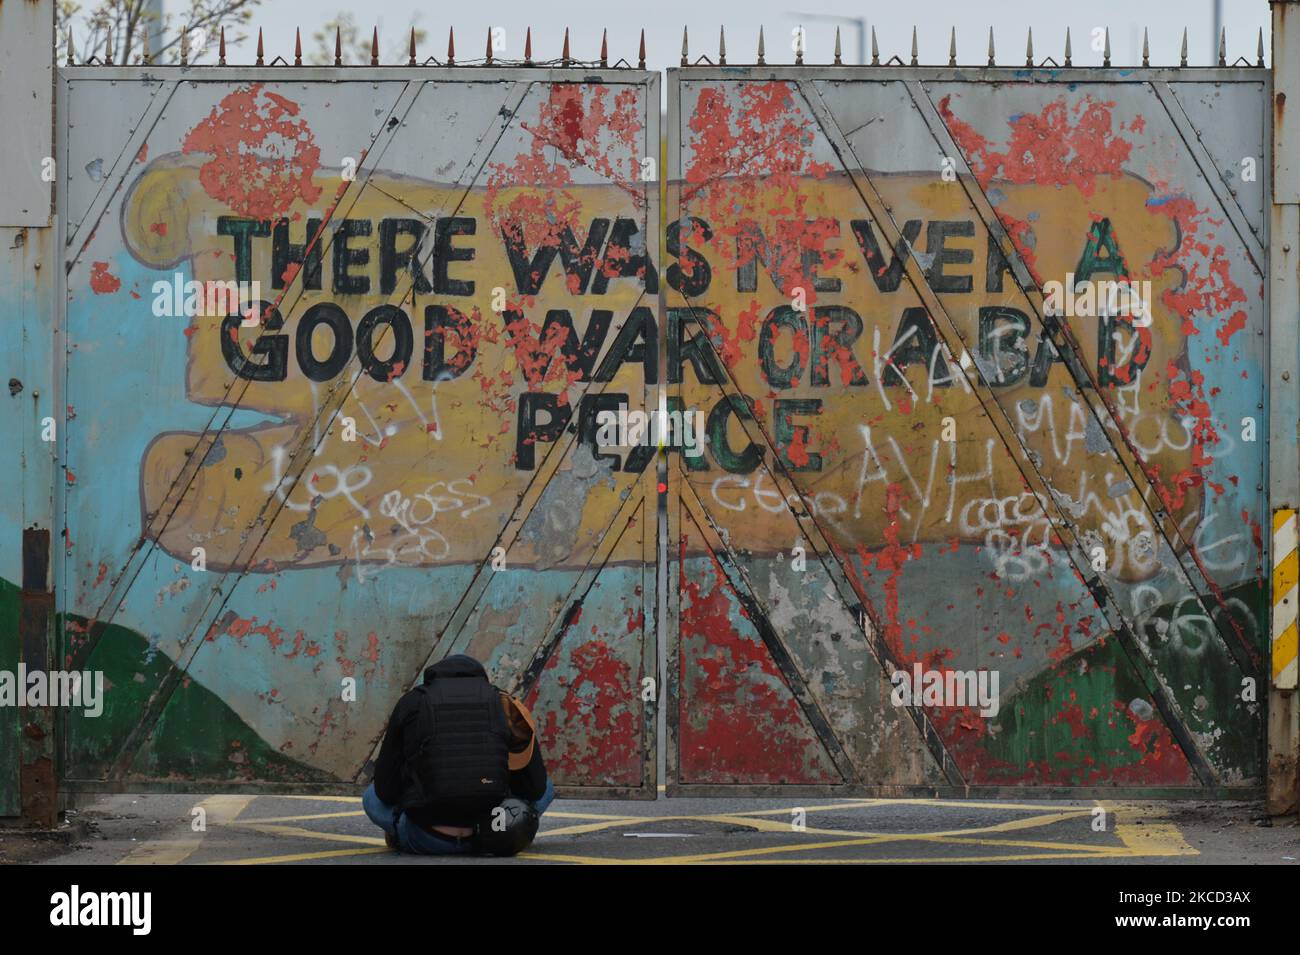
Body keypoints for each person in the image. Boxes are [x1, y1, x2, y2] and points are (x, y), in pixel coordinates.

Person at [363, 654, 554, 856]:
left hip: (427, 838)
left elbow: (385, 790)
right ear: (480, 678)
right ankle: (510, 832)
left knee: (371, 798)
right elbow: (536, 789)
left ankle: (401, 835)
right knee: (548, 787)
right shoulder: (502, 703)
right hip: (493, 835)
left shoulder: (412, 702)